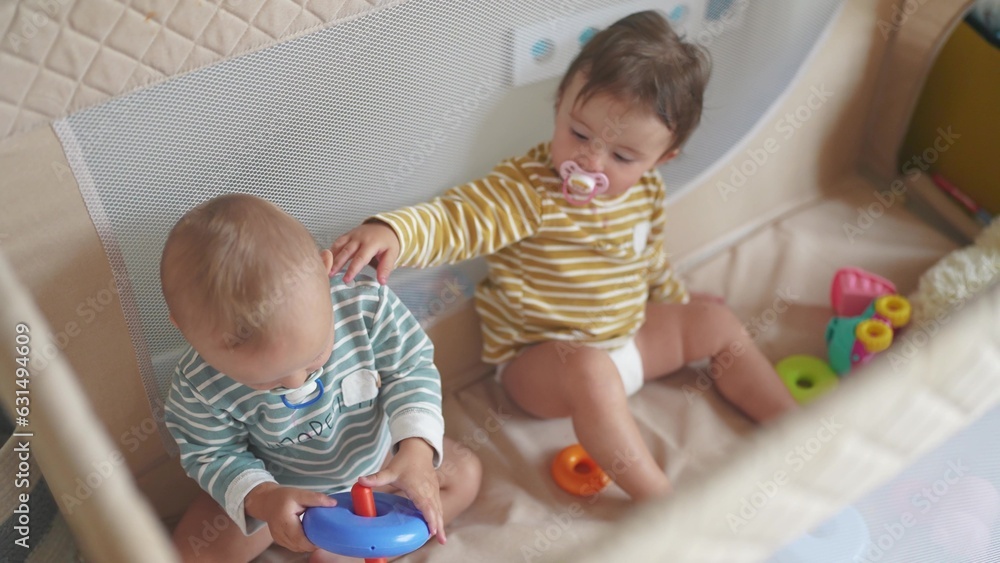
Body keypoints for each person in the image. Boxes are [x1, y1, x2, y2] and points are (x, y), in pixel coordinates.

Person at [329, 11, 796, 501]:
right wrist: (395, 232)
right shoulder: (529, 190)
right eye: (579, 134)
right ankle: (662, 500)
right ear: (559, 105)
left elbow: (649, 259)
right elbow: (457, 219)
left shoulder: (647, 191)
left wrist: (676, 305)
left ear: (661, 159)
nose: (590, 163)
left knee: (716, 322)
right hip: (543, 366)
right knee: (590, 368)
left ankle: (794, 425)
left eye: (621, 157)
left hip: (627, 336)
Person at [161, 194, 481, 562]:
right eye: (267, 382)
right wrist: (263, 498)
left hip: (378, 470)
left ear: (324, 269)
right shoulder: (198, 385)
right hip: (281, 492)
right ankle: (337, 541)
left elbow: (410, 368)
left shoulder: (366, 306)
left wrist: (416, 450)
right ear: (189, 334)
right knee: (189, 553)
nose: (298, 386)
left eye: (314, 360)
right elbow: (212, 454)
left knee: (465, 474)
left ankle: (346, 550)